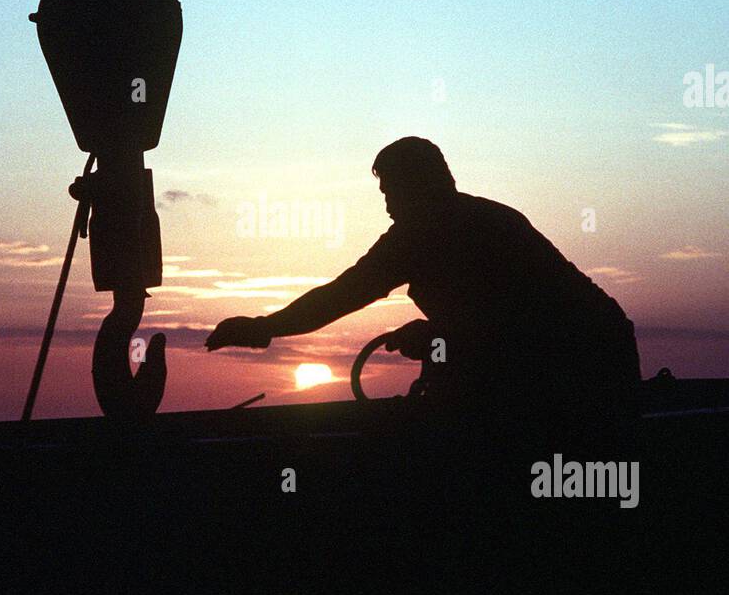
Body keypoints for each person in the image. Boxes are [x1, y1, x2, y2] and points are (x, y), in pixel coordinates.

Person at [206, 137, 641, 437]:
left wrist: (264, 328)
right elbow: (495, 316)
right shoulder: (490, 216)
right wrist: (441, 336)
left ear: (415, 186)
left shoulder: (422, 233)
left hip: (567, 369)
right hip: (594, 351)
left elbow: (341, 295)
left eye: (390, 191)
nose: (389, 205)